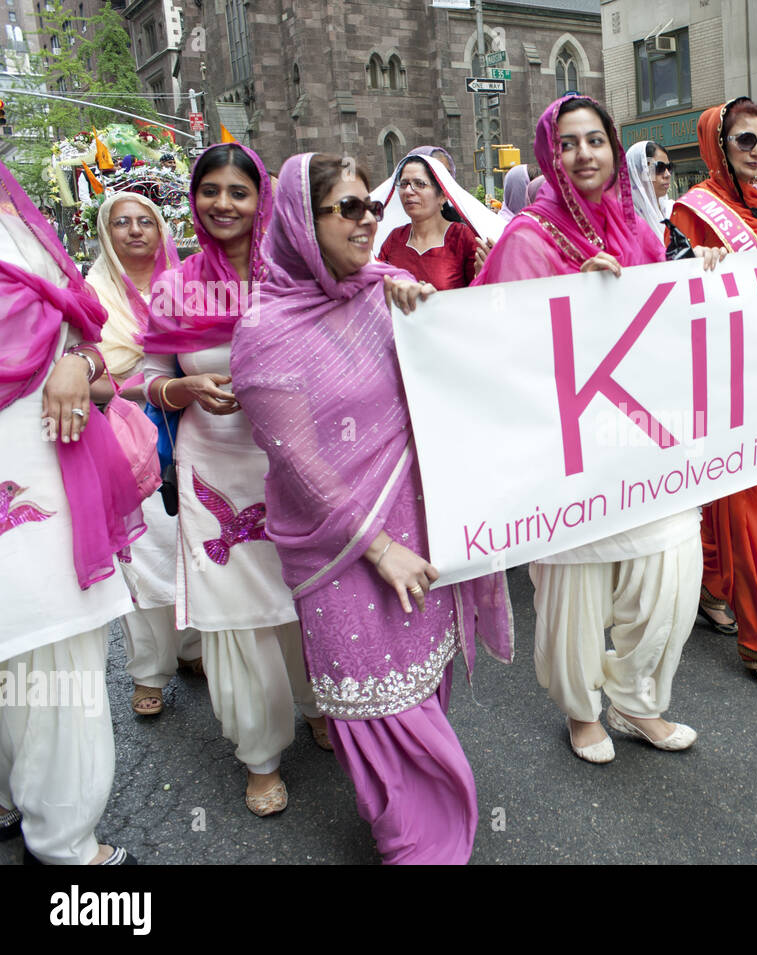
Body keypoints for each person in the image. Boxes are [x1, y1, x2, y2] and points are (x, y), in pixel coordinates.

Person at [231, 152, 513, 863]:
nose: (367, 219)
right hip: (341, 548)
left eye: (370, 206)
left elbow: (474, 358)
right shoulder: (266, 332)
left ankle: (416, 816)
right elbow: (299, 465)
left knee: (421, 676)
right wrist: (377, 548)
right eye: (347, 209)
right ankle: (413, 839)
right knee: (375, 697)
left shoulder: (387, 288)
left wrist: (426, 317)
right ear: (301, 221)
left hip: (416, 521)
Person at [476, 94, 722, 761]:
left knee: (670, 582)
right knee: (574, 596)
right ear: (548, 157)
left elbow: (666, 331)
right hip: (572, 455)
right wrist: (573, 300)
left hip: (647, 445)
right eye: (567, 144)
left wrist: (696, 279)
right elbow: (496, 343)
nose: (583, 154)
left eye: (595, 140)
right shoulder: (529, 236)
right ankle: (582, 712)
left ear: (615, 148)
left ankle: (640, 701)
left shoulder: (640, 231)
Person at [141, 143, 327, 816]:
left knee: (304, 593)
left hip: (293, 465)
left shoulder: (296, 275)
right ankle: (259, 753)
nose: (223, 203)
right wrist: (181, 386)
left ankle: (315, 702)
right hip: (213, 468)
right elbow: (147, 379)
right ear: (195, 201)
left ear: (262, 200)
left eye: (239, 191)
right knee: (235, 614)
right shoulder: (175, 284)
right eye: (210, 190)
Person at [1, 160, 143, 864]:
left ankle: (47, 823)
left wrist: (78, 365)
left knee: (53, 650)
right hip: (18, 473)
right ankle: (65, 850)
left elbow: (83, 338)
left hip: (52, 470)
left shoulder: (22, 224)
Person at [669, 97, 757, 693]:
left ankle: (712, 588)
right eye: (745, 141)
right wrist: (693, 262)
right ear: (718, 146)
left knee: (733, 500)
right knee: (749, 511)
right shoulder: (694, 212)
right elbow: (667, 290)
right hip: (722, 383)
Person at [85, 190, 203, 717]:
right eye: (121, 223)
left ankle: (194, 647)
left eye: (145, 222)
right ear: (106, 235)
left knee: (196, 542)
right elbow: (85, 368)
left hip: (194, 427)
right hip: (128, 440)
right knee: (145, 552)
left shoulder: (189, 285)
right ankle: (147, 671)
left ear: (161, 231)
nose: (135, 231)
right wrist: (144, 386)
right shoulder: (90, 294)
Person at [377, 148, 478, 290]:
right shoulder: (395, 239)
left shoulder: (462, 237)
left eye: (419, 184)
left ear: (443, 195)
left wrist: (481, 274)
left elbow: (478, 294)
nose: (408, 191)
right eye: (404, 184)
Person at [627, 139, 674, 232]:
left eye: (669, 167)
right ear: (639, 173)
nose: (667, 174)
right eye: (659, 167)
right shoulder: (628, 220)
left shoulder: (673, 210)